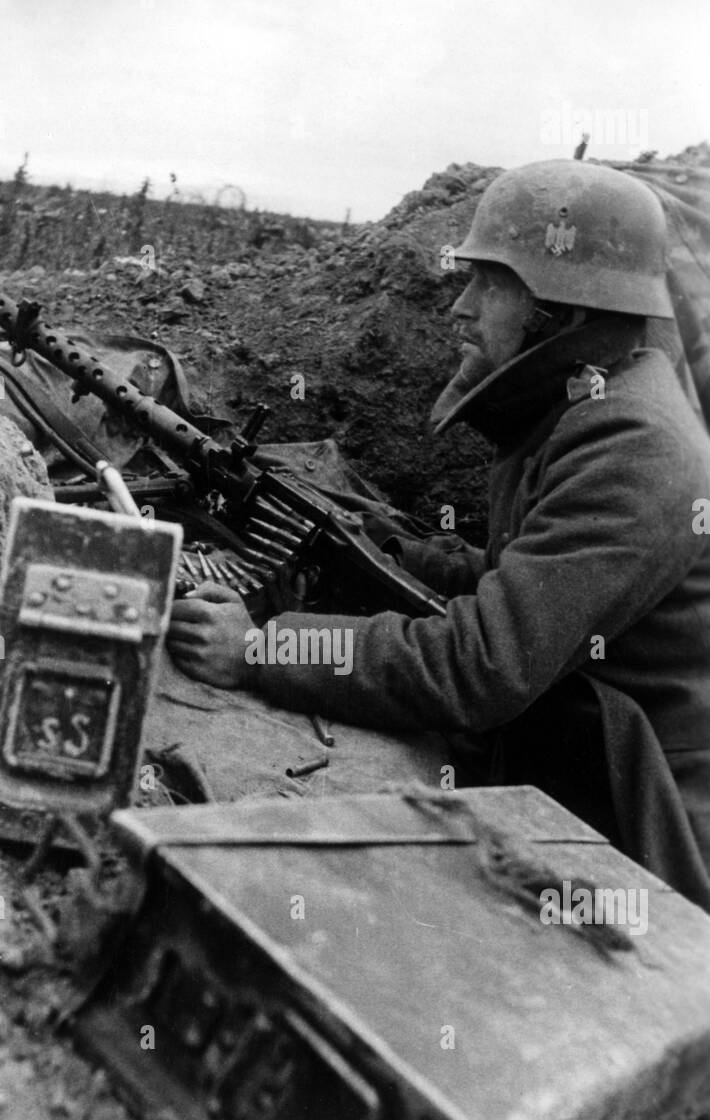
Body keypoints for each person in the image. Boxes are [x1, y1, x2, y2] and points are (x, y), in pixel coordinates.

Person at [168, 159, 710, 905]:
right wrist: (372, 549)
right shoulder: (589, 406)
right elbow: (508, 575)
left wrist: (262, 649)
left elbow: (482, 664)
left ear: (562, 309)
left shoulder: (635, 445)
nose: (459, 308)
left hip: (640, 817)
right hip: (575, 738)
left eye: (489, 284)